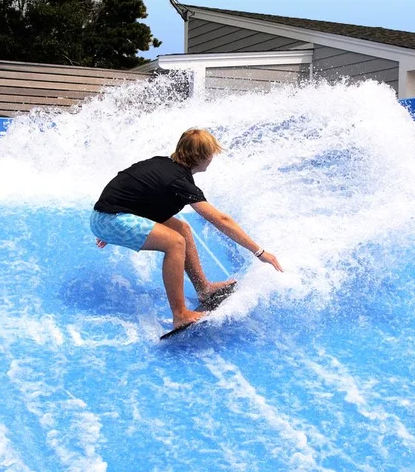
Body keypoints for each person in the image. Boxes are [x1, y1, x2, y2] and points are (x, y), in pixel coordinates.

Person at [90, 128, 283, 330]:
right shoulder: (179, 181)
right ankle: (180, 314)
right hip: (110, 218)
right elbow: (221, 219)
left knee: (182, 229)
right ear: (202, 157)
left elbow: (136, 192)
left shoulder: (165, 165)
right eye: (211, 154)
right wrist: (259, 252)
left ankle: (204, 288)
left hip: (110, 216)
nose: (212, 159)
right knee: (175, 243)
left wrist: (111, 222)